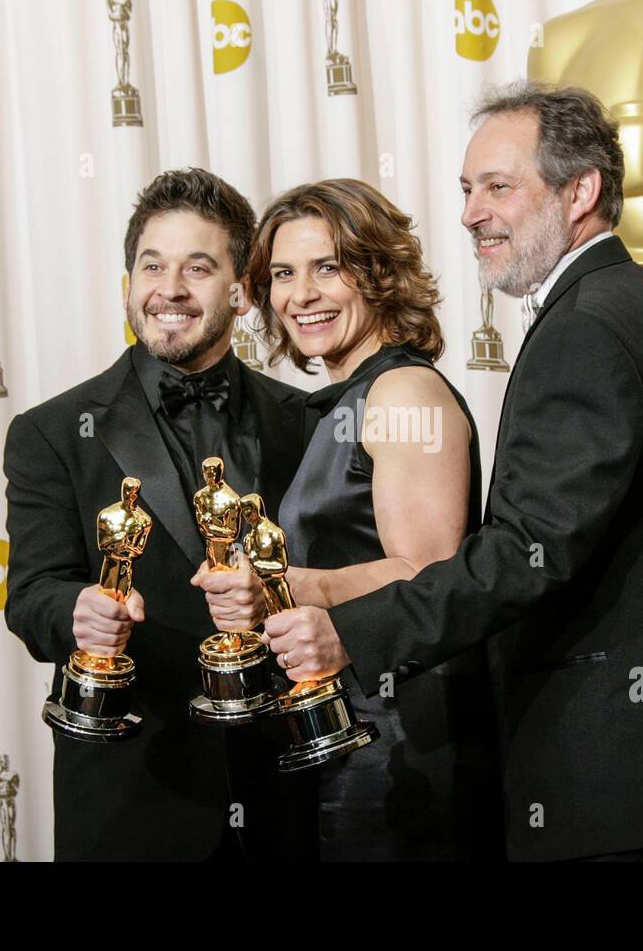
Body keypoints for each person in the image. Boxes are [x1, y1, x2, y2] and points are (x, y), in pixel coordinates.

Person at [262, 82, 643, 861]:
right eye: (465, 190)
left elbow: (530, 551)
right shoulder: (630, 302)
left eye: (498, 187)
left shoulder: (588, 327)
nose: (470, 213)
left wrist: (349, 630)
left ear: (580, 190)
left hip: (639, 785)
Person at [3, 167, 309, 860]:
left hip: (287, 791)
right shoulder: (51, 431)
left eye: (197, 268)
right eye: (152, 266)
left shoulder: (307, 421)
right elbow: (31, 595)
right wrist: (74, 611)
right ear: (127, 285)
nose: (169, 289)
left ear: (241, 290)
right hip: (132, 795)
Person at [193, 178, 502, 860]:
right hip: (353, 733)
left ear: (379, 271)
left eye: (327, 267)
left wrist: (289, 587)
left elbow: (431, 575)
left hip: (403, 749)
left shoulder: (403, 391)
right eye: (281, 274)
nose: (300, 295)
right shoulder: (351, 396)